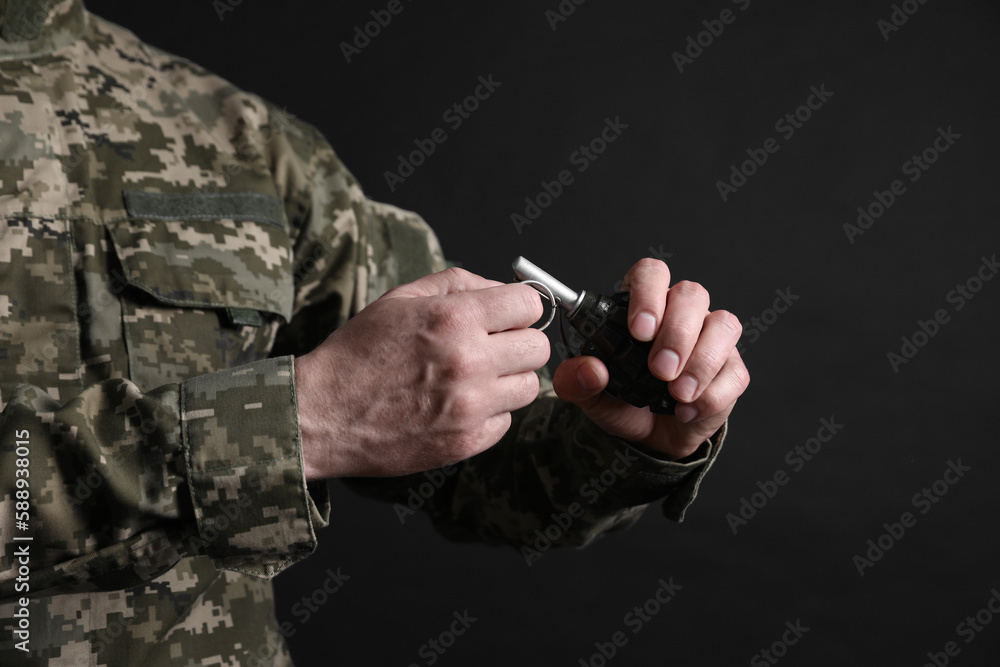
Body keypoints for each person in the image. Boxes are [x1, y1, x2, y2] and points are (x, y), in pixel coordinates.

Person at [0, 1, 749, 664]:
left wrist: (627, 437)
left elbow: (476, 467)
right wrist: (291, 425)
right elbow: (331, 407)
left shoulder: (239, 140)